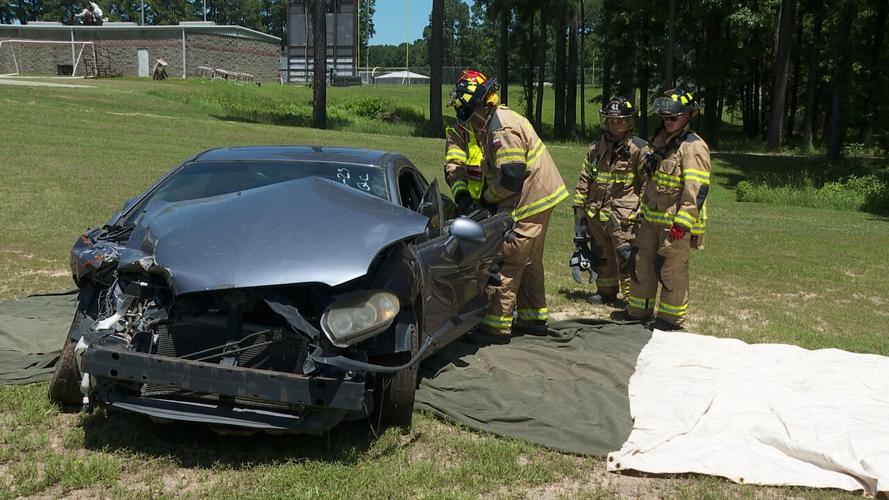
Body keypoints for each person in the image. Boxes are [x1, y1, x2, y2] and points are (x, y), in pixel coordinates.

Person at [448, 70, 569, 342]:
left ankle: (495, 326)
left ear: (481, 105)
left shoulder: (502, 127)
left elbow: (512, 178)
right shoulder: (492, 121)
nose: (467, 118)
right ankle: (533, 318)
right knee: (531, 259)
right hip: (536, 197)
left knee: (511, 256)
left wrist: (486, 201)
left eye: (468, 110)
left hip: (530, 199)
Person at [620, 88, 710, 331]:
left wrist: (683, 222)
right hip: (651, 219)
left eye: (673, 118)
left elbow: (697, 188)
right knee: (642, 264)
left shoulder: (693, 147)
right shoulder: (662, 142)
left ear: (689, 116)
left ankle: (670, 320)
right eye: (665, 118)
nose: (668, 122)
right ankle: (638, 311)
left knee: (671, 271)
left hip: (674, 224)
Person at [572, 96, 650, 303]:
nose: (616, 125)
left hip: (624, 217)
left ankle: (631, 300)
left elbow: (647, 184)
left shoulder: (639, 150)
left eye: (621, 120)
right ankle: (606, 292)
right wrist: (579, 207)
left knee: (626, 258)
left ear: (629, 121)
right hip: (596, 213)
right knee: (602, 255)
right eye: (612, 120)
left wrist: (642, 211)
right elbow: (585, 178)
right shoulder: (596, 148)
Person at [444, 70, 487, 216]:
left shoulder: (498, 123)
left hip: (499, 203)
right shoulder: (459, 131)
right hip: (471, 207)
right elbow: (453, 166)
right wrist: (463, 198)